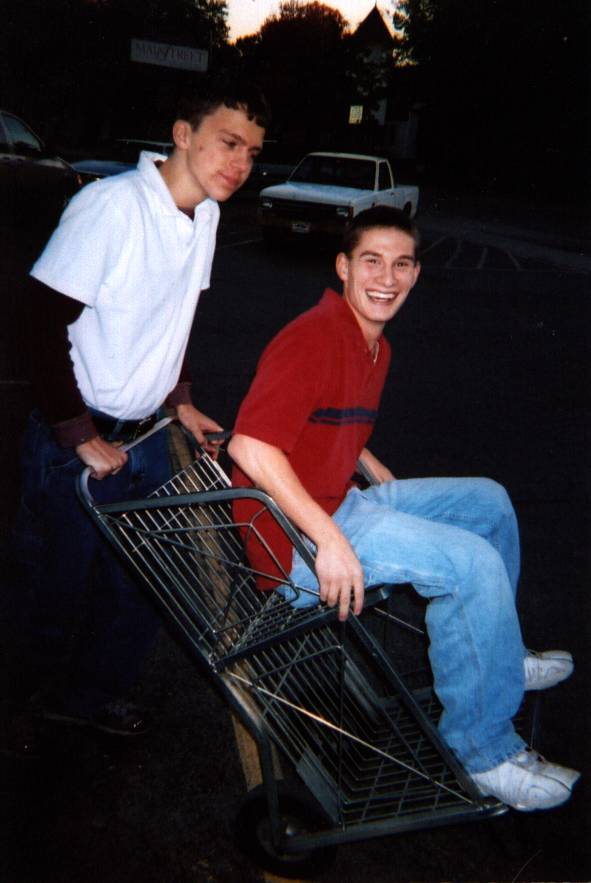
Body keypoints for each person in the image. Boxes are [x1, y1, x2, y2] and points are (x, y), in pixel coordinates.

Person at [228, 206, 580, 812]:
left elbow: (321, 412)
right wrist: (328, 542)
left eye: (401, 264)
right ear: (343, 267)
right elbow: (250, 446)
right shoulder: (314, 335)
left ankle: (499, 654)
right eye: (371, 261)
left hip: (342, 501)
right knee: (469, 564)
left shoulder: (372, 344)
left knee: (489, 502)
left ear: (415, 274)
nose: (386, 277)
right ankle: (483, 752)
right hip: (296, 541)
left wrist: (363, 455)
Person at [13, 74, 268, 741]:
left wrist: (179, 398)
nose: (239, 164)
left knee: (145, 582)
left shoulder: (206, 212)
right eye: (227, 143)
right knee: (51, 586)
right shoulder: (111, 207)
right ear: (183, 136)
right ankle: (17, 705)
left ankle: (90, 696)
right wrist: (77, 433)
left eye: (251, 152)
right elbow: (40, 321)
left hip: (150, 437)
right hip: (79, 436)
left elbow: (176, 315)